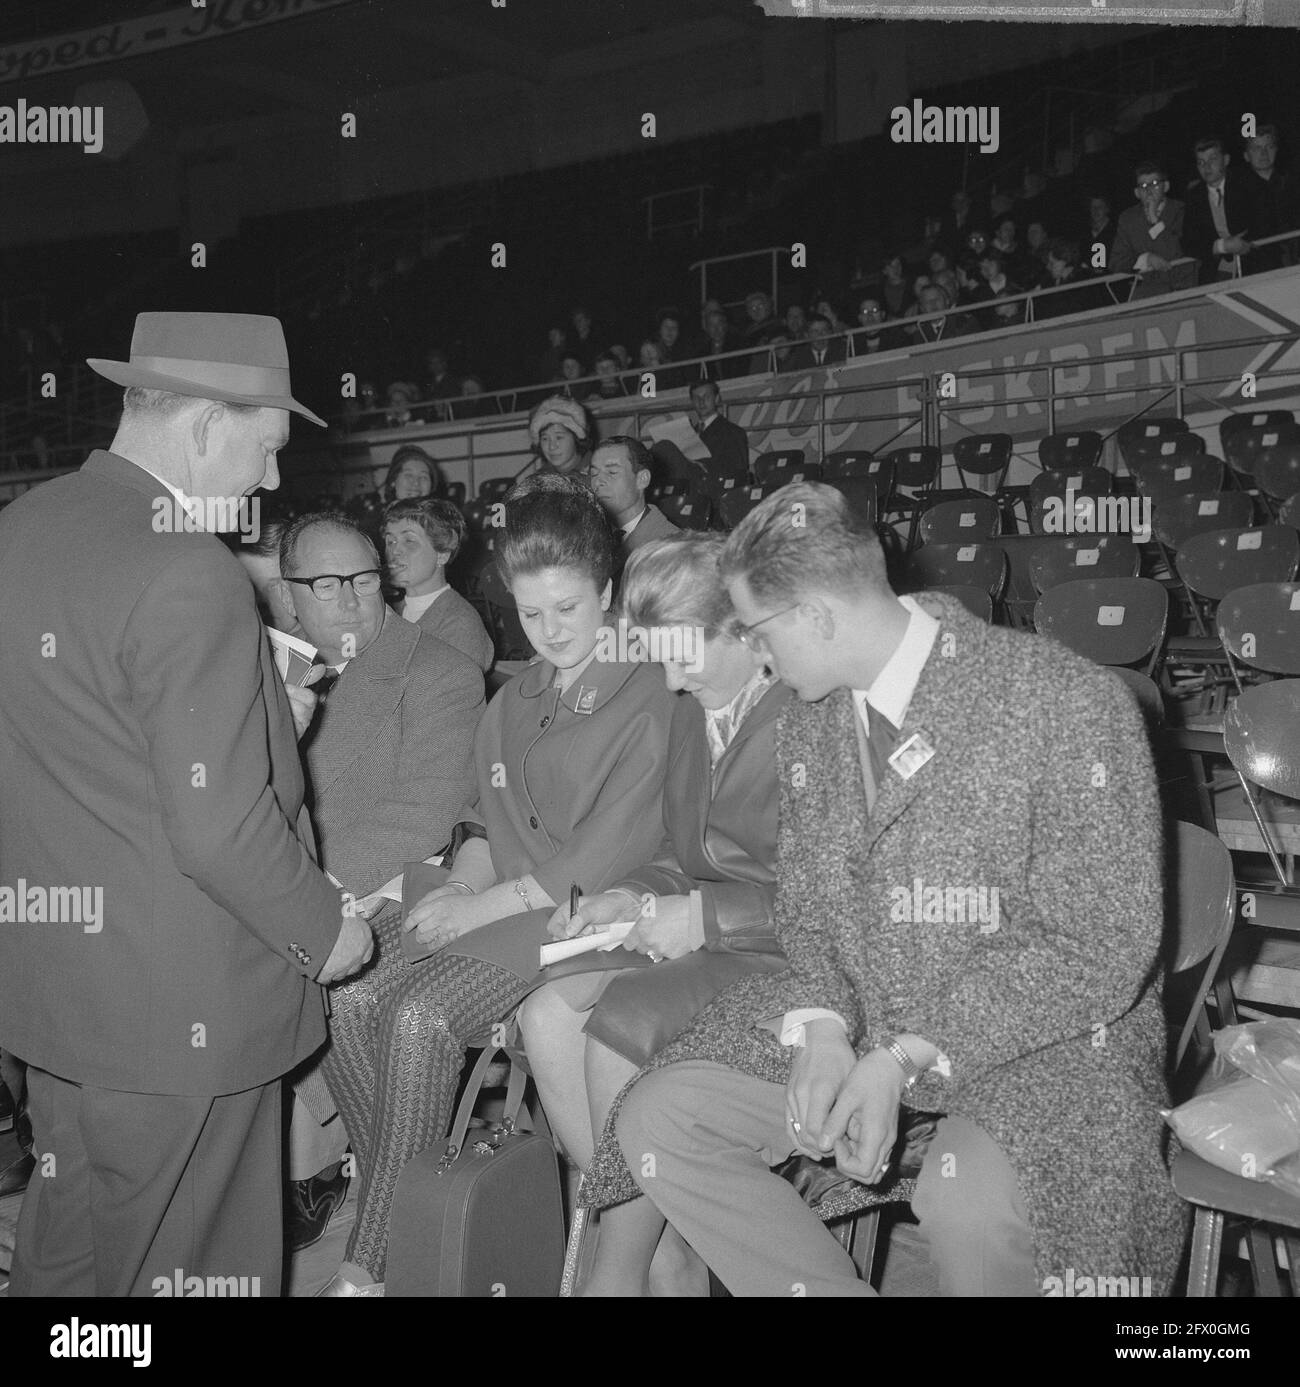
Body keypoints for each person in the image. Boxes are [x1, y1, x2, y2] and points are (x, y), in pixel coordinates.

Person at [578, 480, 1186, 1297]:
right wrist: (826, 1028)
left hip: (1047, 1038)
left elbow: (1098, 947)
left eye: (758, 631)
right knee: (661, 1115)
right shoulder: (809, 723)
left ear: (814, 618)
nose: (757, 656)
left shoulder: (1066, 700)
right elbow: (809, 914)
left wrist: (903, 1055)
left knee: (967, 1198)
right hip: (864, 1018)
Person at [0, 311, 373, 1296]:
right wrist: (326, 928)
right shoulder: (187, 565)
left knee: (70, 1263)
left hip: (62, 995)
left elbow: (85, 742)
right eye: (265, 448)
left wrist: (255, 727)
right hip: (183, 1014)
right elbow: (215, 829)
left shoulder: (22, 527)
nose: (271, 481)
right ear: (207, 424)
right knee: (193, 1274)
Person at [316, 475, 675, 1295]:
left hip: (593, 913)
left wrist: (479, 903)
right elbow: (479, 815)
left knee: (419, 1017)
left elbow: (603, 850)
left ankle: (372, 1263)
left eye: (569, 610)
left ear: (609, 594)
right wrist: (456, 888)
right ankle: (402, 1205)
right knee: (343, 991)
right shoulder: (515, 696)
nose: (548, 632)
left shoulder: (651, 690)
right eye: (530, 612)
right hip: (501, 896)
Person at [518, 533, 791, 1296]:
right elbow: (684, 849)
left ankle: (622, 1265)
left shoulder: (808, 712)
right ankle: (665, 1238)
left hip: (778, 946)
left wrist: (702, 917)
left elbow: (830, 899)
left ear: (744, 630)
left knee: (617, 1031)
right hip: (708, 929)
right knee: (547, 1014)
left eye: (683, 655)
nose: (669, 680)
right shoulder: (694, 706)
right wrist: (630, 895)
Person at [277, 511, 485, 1249]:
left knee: (321, 969)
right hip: (289, 880)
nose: (350, 598)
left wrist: (296, 888)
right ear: (288, 592)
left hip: (391, 885)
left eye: (364, 578)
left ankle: (368, 1191)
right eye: (326, 583)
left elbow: (422, 815)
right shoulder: (269, 670)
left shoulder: (440, 669)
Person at [383, 498, 494, 671]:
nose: (394, 551)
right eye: (390, 541)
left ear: (442, 554)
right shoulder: (386, 613)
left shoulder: (460, 625)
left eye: (409, 541)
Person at [1183, 136, 1259, 283]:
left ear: (1226, 160)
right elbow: (1188, 243)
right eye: (1201, 162)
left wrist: (1243, 243)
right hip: (1214, 271)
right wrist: (1221, 246)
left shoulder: (1247, 184)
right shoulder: (1194, 197)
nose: (1206, 166)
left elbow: (1264, 224)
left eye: (1213, 159)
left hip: (1255, 262)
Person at [1112, 161, 1188, 299]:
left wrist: (1155, 221)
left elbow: (1178, 253)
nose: (1149, 191)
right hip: (1145, 293)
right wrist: (1144, 259)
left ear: (1166, 186)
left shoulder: (1181, 211)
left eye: (1154, 184)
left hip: (1182, 289)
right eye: (1143, 186)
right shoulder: (1128, 219)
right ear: (1136, 193)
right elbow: (1116, 262)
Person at [689, 380, 750, 487]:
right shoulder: (688, 434)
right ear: (692, 402)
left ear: (717, 399)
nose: (701, 401)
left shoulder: (733, 431)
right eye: (696, 398)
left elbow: (739, 471)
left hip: (718, 491)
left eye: (706, 396)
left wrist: (704, 465)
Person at [526, 394, 590, 478]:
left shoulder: (598, 475)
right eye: (545, 439)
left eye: (559, 437)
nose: (552, 447)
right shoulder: (538, 481)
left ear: (576, 438)